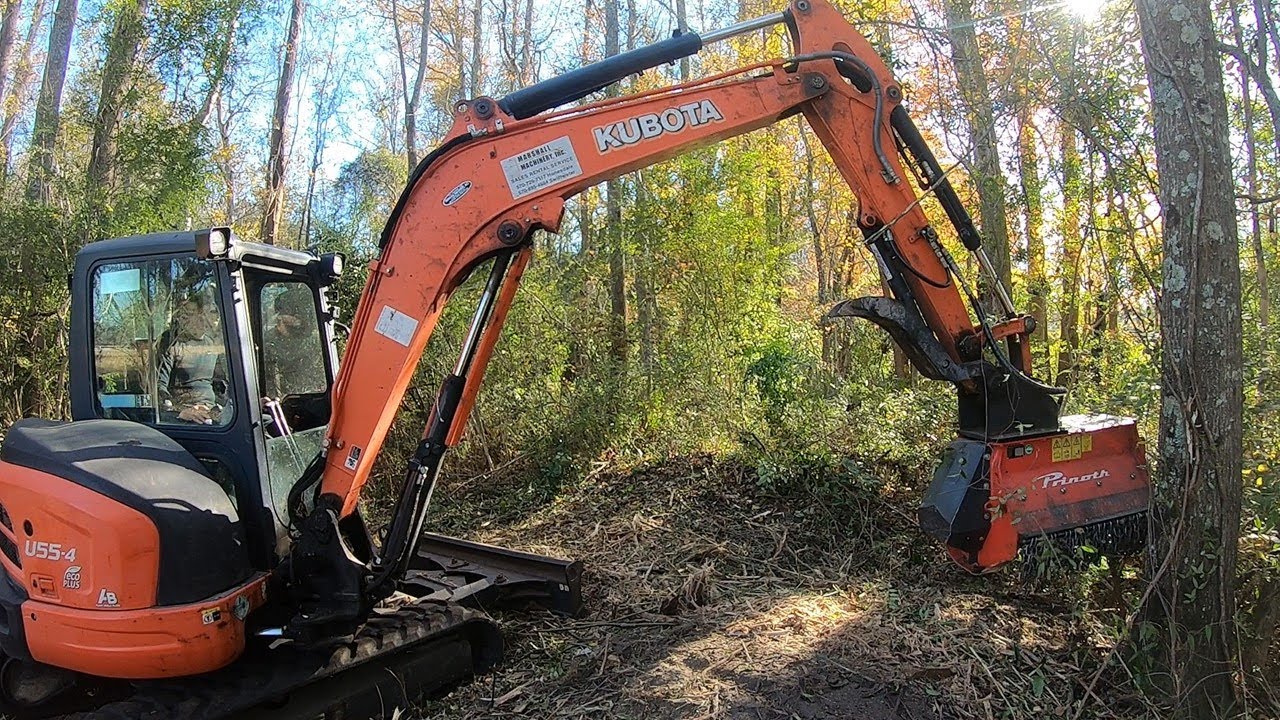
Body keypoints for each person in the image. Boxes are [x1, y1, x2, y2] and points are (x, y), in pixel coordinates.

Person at [156, 291, 228, 425]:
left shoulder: (210, 343)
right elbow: (159, 387)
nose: (184, 318)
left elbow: (221, 384)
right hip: (187, 415)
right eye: (182, 314)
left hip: (212, 410)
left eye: (190, 313)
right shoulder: (172, 342)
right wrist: (179, 412)